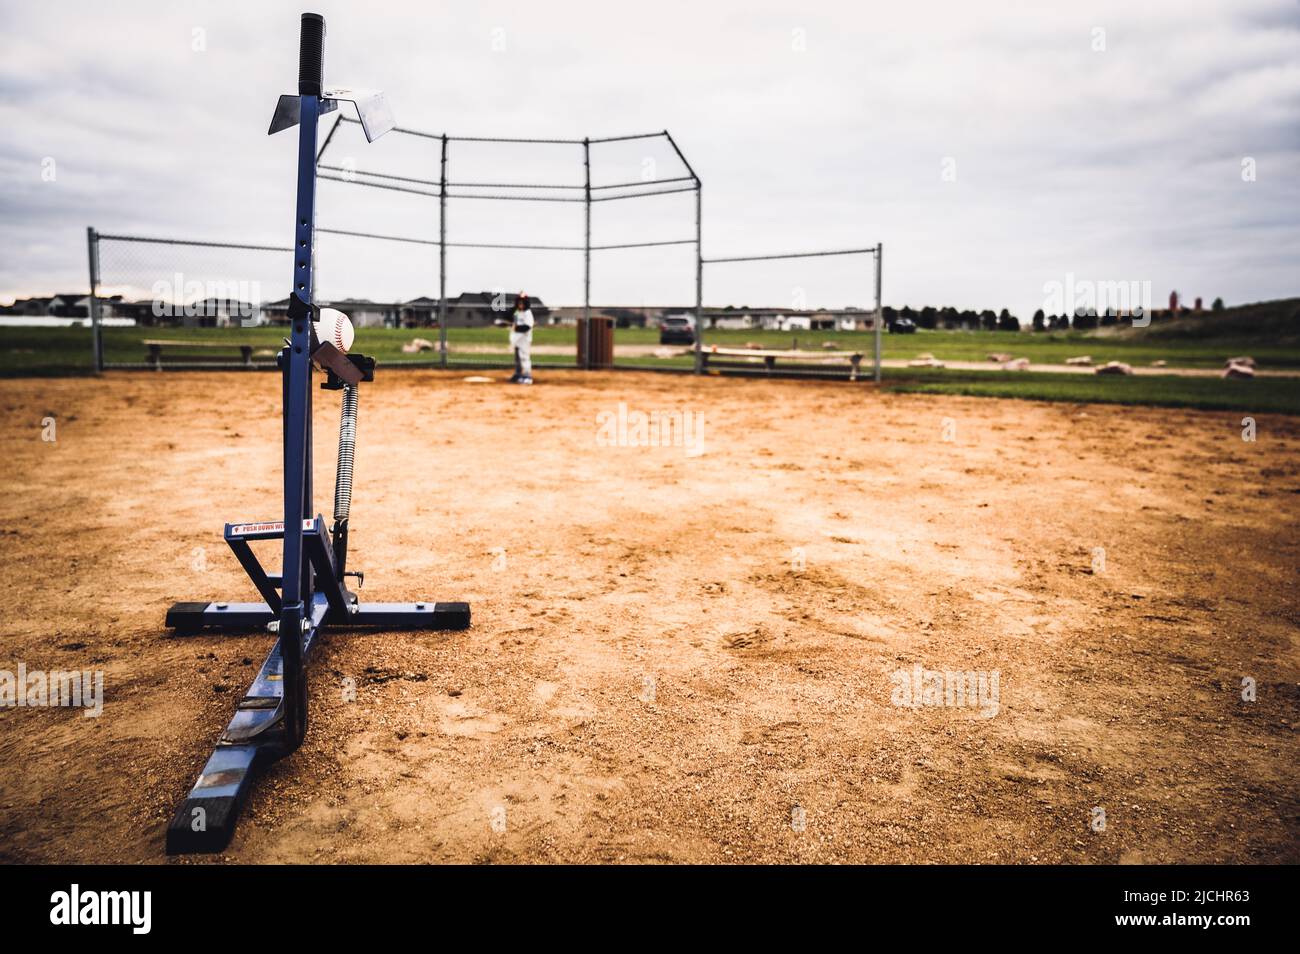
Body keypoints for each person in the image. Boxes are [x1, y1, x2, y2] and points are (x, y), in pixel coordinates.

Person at [508, 292, 534, 385]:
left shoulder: (528, 313)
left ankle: (527, 376)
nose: (520, 305)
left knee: (524, 357)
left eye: (522, 303)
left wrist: (516, 328)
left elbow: (527, 326)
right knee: (517, 359)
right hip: (517, 340)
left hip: (524, 340)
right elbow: (513, 322)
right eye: (519, 303)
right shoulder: (517, 313)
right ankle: (518, 374)